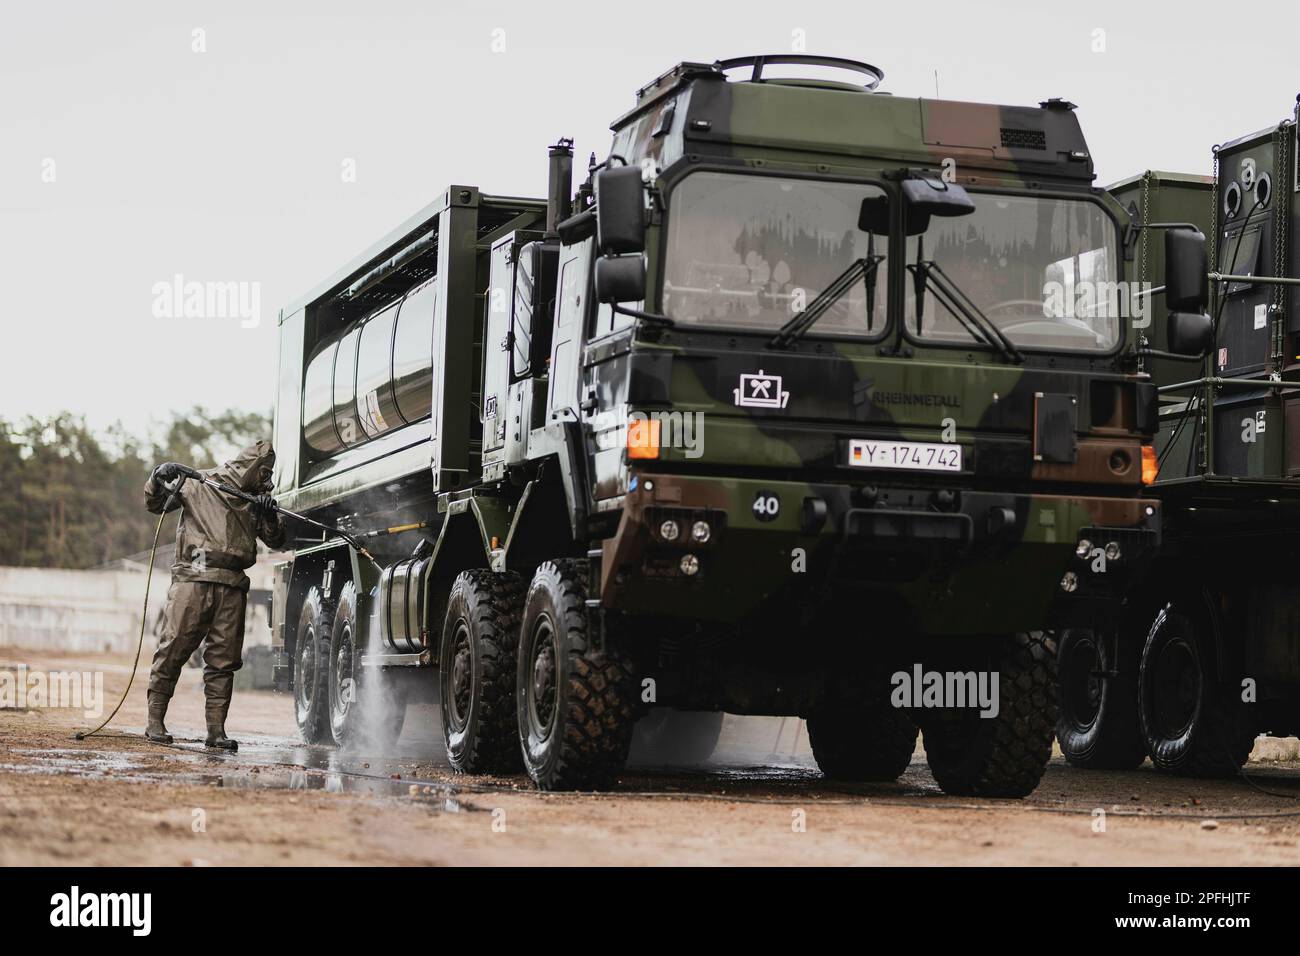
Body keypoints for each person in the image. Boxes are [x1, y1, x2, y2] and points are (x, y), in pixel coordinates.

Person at [143, 440, 286, 750]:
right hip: (193, 580)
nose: (269, 481)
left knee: (223, 662)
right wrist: (157, 476)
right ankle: (155, 720)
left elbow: (276, 541)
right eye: (265, 473)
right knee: (174, 648)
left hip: (233, 585)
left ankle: (215, 731)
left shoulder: (255, 499)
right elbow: (155, 504)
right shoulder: (197, 483)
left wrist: (271, 516)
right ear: (250, 467)